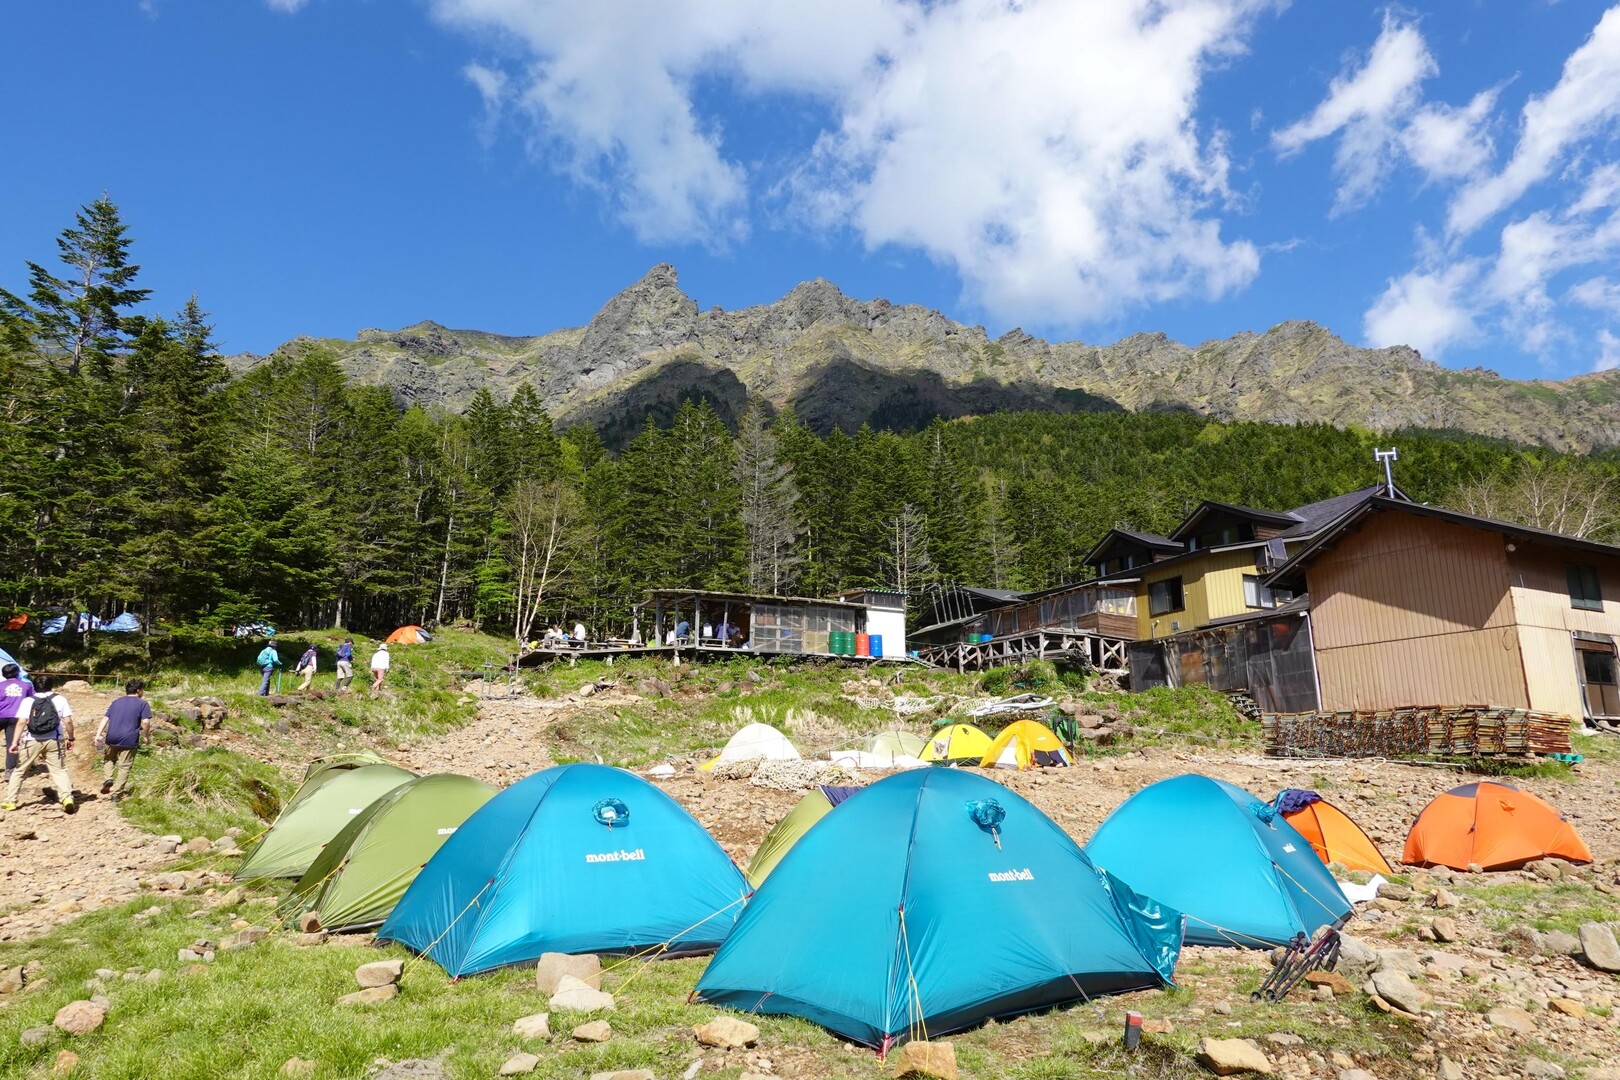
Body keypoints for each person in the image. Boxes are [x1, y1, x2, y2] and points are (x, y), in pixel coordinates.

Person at [4, 675, 75, 813]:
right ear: (51, 685)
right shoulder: (60, 699)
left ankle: (11, 801)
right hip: (55, 739)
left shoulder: (28, 701)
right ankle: (67, 798)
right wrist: (71, 738)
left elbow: (21, 722)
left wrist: (14, 742)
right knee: (59, 770)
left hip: (32, 740)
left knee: (19, 771)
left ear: (34, 687)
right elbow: (68, 721)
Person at [95, 679, 151, 801]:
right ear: (138, 691)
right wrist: (146, 736)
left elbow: (105, 718)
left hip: (111, 736)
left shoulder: (116, 702)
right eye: (142, 690)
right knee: (124, 766)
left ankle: (108, 778)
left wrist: (98, 734)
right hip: (129, 738)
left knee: (109, 759)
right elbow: (146, 722)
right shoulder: (143, 704)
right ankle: (116, 792)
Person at [0, 663, 33, 786]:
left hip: (0, 715)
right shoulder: (27, 685)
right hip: (16, 717)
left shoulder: (0, 685)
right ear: (18, 673)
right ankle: (9, 771)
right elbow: (32, 701)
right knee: (12, 743)